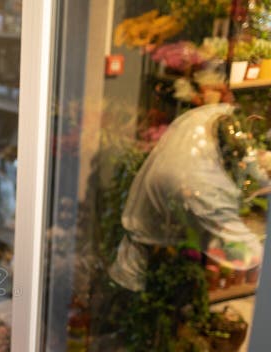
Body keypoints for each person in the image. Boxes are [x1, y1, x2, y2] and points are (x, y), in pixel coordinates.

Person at [109, 103, 268, 292]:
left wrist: (262, 178)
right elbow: (245, 247)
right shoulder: (200, 181)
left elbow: (249, 163)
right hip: (150, 270)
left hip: (159, 252)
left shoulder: (212, 120)